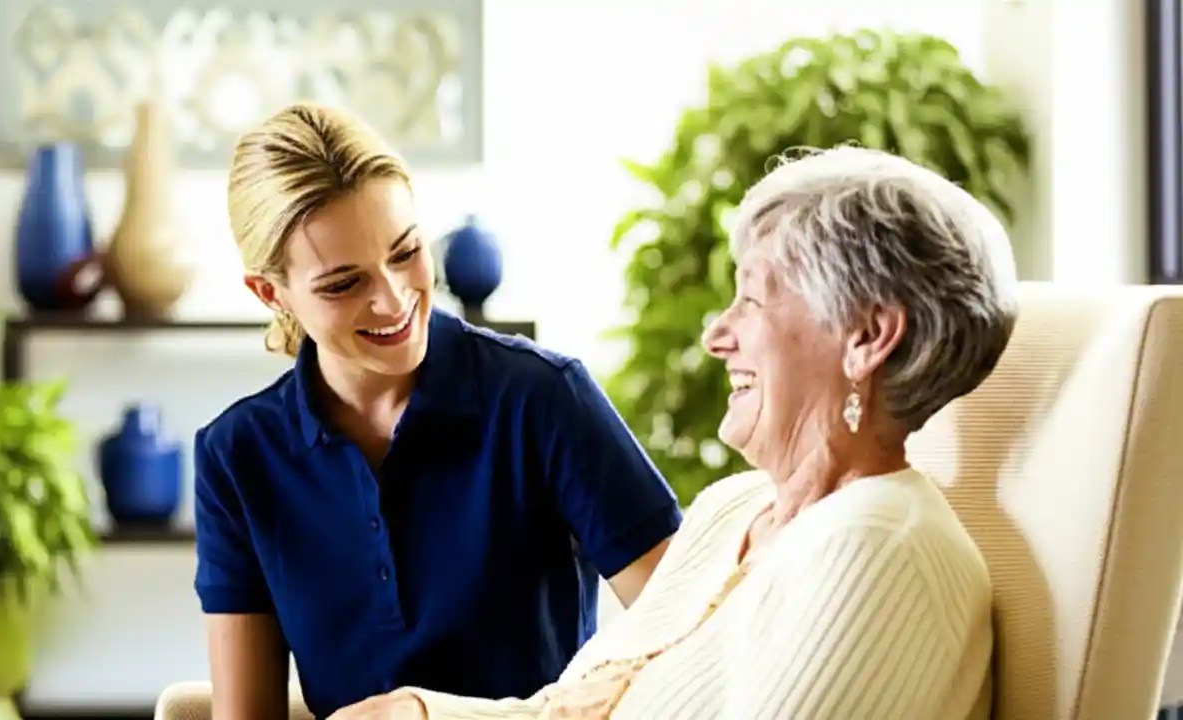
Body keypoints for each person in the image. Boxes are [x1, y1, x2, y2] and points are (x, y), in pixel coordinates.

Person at [330, 145, 1016, 719]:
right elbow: (569, 712)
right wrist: (421, 712)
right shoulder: (735, 508)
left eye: (753, 299)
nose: (717, 335)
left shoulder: (882, 550)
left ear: (867, 336)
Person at [192, 102, 683, 718]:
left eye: (405, 252)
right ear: (271, 293)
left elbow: (690, 642)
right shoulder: (237, 455)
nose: (393, 299)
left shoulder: (543, 397)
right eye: (344, 283)